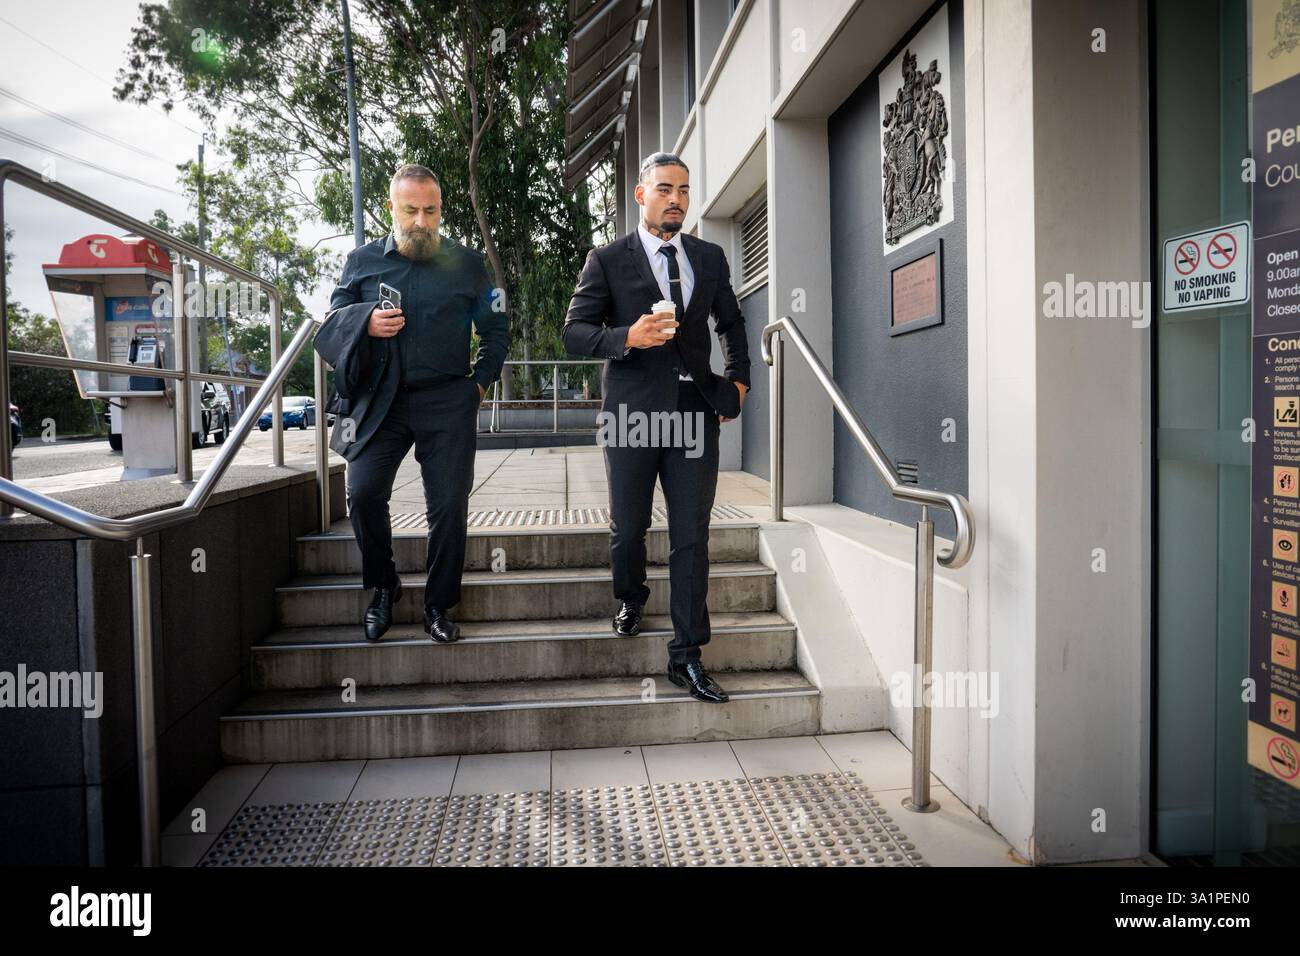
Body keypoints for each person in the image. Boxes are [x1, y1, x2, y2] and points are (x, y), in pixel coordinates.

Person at [562, 151, 751, 703]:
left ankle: (686, 655)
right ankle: (631, 596)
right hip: (631, 414)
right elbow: (574, 332)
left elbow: (732, 324)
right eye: (665, 189)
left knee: (692, 535)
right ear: (641, 195)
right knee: (629, 527)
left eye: (685, 191)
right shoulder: (607, 259)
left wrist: (738, 382)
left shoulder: (709, 256)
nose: (677, 199)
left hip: (695, 412)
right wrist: (625, 338)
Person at [314, 163, 509, 643]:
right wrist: (366, 322)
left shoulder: (467, 263)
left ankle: (439, 605)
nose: (421, 221)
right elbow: (332, 321)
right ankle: (384, 587)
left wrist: (478, 386)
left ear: (441, 210)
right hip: (379, 402)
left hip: (448, 401)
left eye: (431, 211)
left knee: (448, 506)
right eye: (411, 211)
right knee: (362, 494)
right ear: (391, 209)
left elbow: (497, 327)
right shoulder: (362, 261)